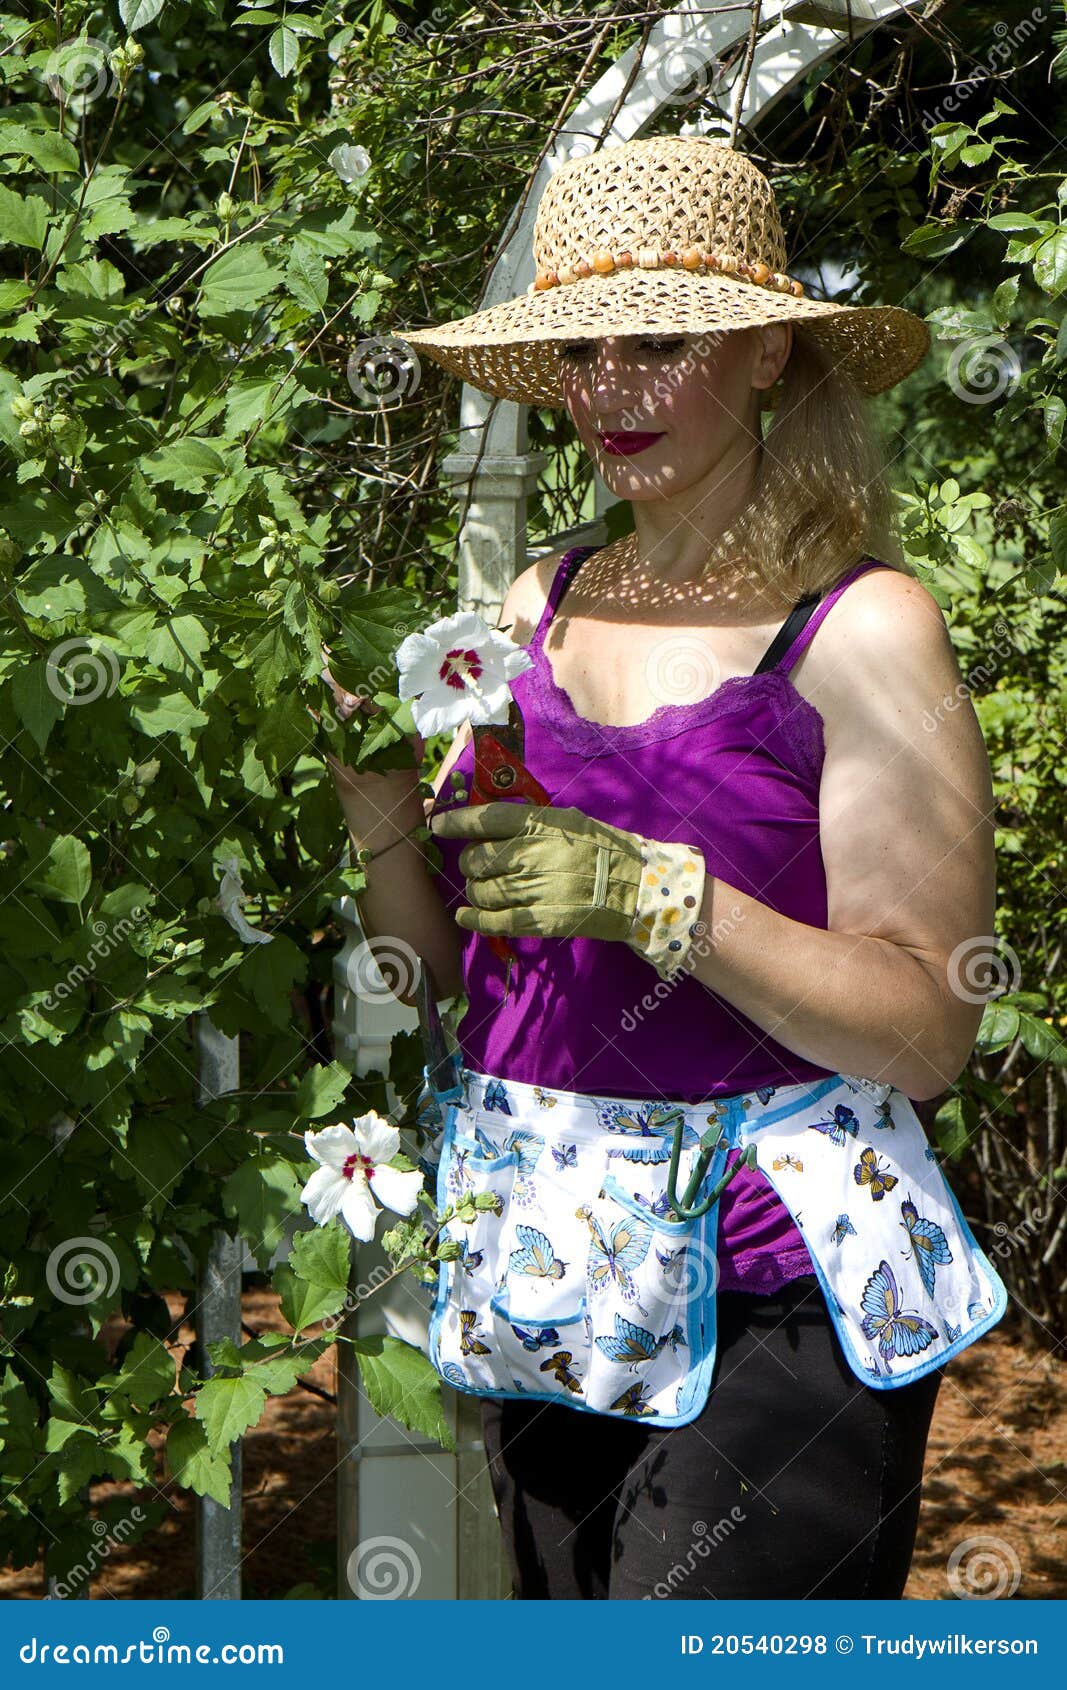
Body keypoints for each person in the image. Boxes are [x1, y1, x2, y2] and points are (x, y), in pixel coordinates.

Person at [325, 136, 1005, 1600]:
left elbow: (928, 1027)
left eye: (660, 341)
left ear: (767, 355)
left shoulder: (865, 631)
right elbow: (470, 981)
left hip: (782, 1294)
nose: (607, 384)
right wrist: (381, 816)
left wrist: (649, 892)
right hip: (553, 1274)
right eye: (583, 344)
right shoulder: (534, 606)